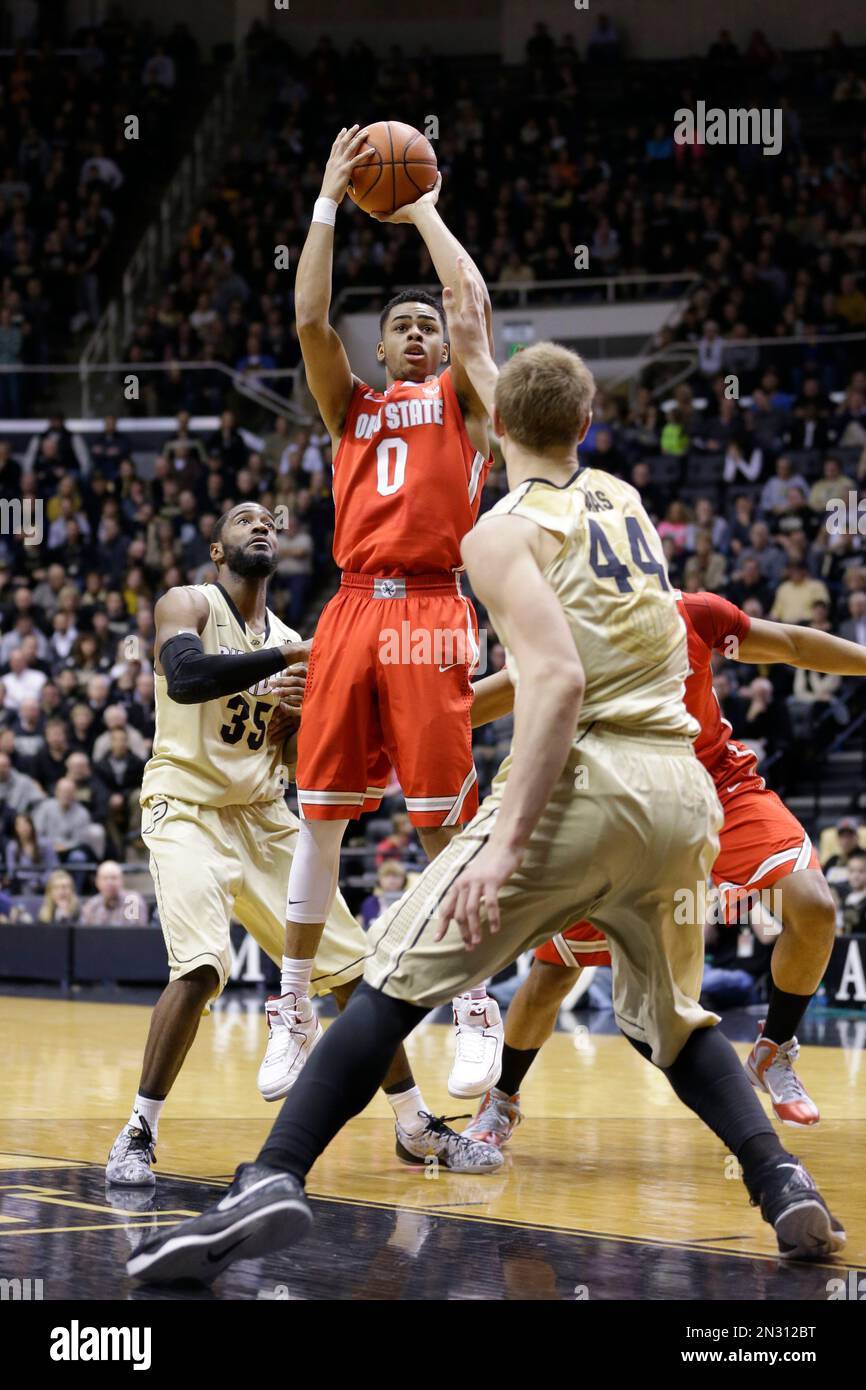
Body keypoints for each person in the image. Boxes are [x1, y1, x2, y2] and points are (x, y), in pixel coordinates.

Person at [129, 261, 844, 1286]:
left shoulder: (499, 528)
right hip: (678, 795)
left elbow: (549, 681)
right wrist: (433, 229)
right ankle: (779, 1183)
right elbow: (477, 337)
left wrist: (501, 843)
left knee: (382, 979)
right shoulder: (626, 501)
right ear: (588, 420)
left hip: (588, 781)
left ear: (486, 415)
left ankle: (271, 1174)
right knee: (671, 1019)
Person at [106, 502, 498, 1191]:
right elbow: (187, 676)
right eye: (241, 521)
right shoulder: (188, 602)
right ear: (218, 552)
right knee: (201, 967)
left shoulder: (296, 637)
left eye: (267, 521)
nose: (259, 526)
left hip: (262, 811)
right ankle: (139, 1131)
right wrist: (289, 661)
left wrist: (294, 719)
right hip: (187, 807)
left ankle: (412, 1122)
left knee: (355, 974)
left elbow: (298, 757)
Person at [258, 127, 495, 1102]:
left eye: (422, 325)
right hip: (352, 608)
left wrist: (420, 207)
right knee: (319, 818)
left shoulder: (463, 402)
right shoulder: (349, 405)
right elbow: (310, 314)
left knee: (442, 825)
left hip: (433, 605)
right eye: (397, 322)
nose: (413, 330)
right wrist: (325, 199)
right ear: (379, 342)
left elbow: (472, 307)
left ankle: (476, 1003)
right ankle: (293, 1002)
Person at [461, 588, 866, 1144]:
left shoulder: (694, 612)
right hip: (622, 812)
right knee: (553, 974)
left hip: (717, 787)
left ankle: (774, 1050)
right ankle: (502, 1098)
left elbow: (793, 645)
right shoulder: (562, 634)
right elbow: (471, 706)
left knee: (815, 906)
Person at [80, 859, 149, 926]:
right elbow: (84, 933)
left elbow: (138, 933)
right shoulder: (91, 905)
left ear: (121, 880)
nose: (109, 882)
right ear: (97, 882)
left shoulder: (132, 901)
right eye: (105, 878)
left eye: (114, 878)